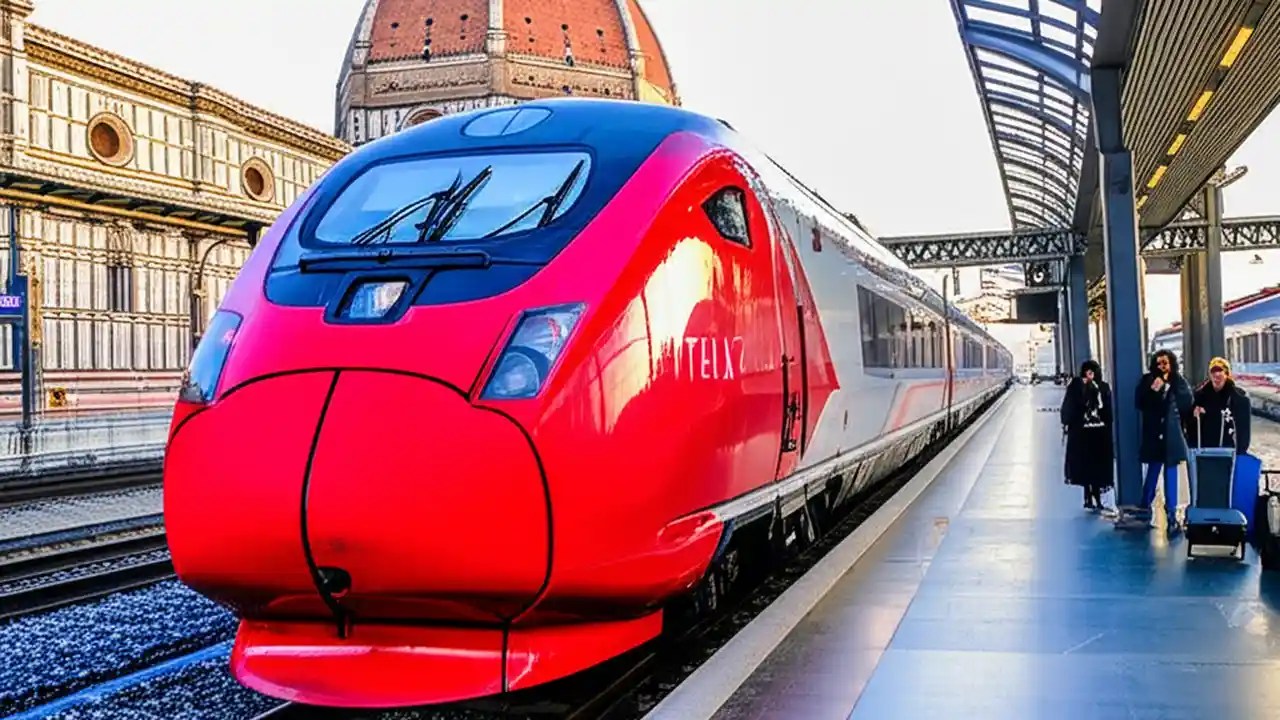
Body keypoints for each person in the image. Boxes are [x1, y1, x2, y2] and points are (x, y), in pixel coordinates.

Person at [1136, 349, 1194, 530]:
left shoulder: (1179, 381)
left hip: (1171, 434)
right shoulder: (1147, 380)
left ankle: (1172, 512)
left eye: (1165, 363)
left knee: (1171, 472)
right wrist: (1154, 390)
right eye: (1159, 363)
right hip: (1154, 433)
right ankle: (1145, 505)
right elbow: (1140, 403)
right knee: (1153, 471)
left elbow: (1187, 402)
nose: (1162, 366)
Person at [1060, 359, 1114, 510]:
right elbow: (1108, 412)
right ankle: (1091, 497)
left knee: (1088, 466)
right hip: (1095, 434)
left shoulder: (1081, 387)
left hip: (1086, 434)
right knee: (1093, 466)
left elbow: (1067, 410)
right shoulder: (1089, 387)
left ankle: (1091, 496)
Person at [1190, 356, 1252, 453]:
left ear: (1227, 375)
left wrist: (1241, 451)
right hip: (1204, 451)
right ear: (1210, 375)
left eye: (1220, 373)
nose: (1216, 376)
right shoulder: (1199, 396)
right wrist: (1194, 415)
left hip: (1229, 450)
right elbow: (1190, 425)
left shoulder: (1239, 398)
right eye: (1213, 373)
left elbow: (1244, 429)